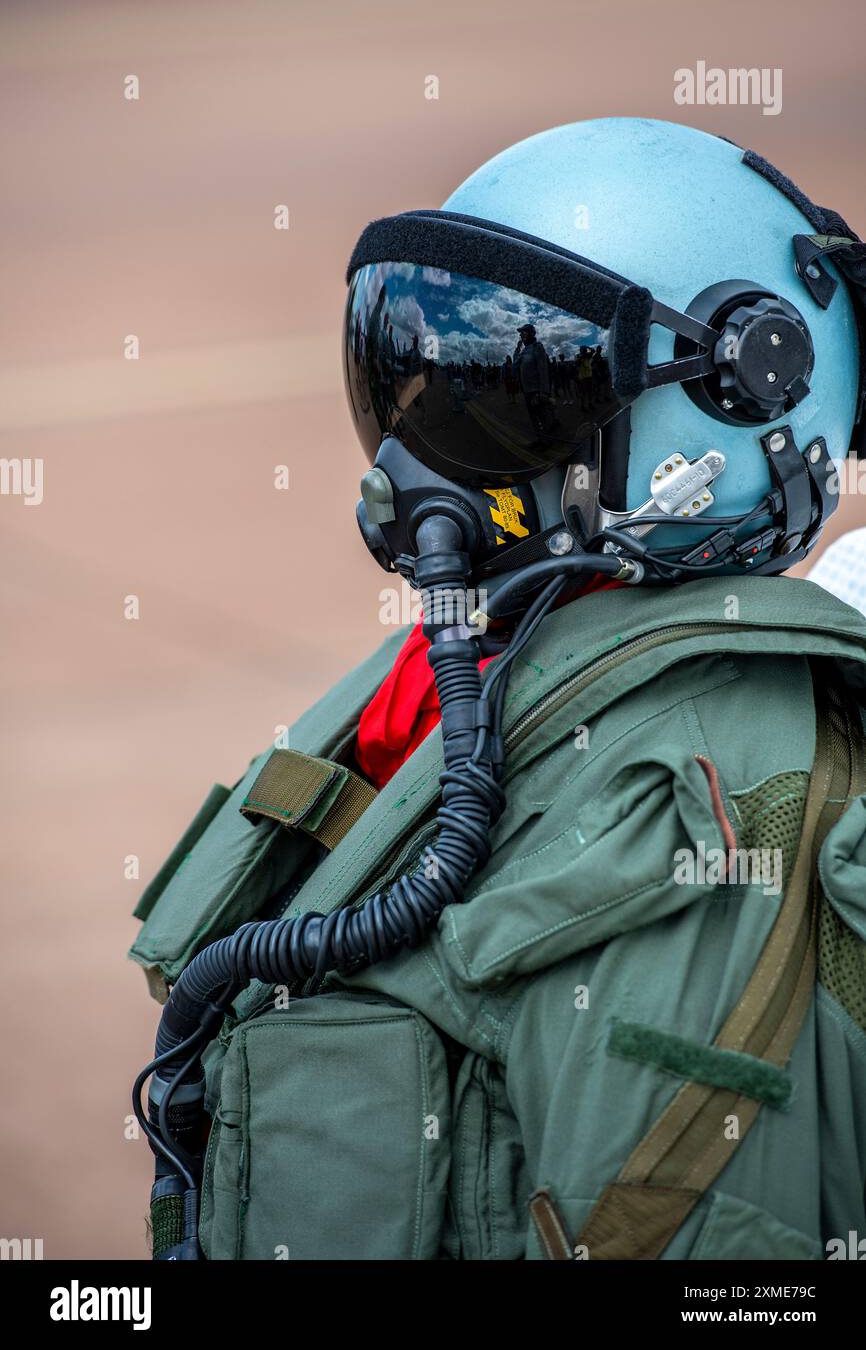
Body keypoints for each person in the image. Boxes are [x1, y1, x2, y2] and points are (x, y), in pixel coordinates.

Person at [131, 117, 866, 1262]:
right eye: (419, 387)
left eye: (509, 403)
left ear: (737, 400)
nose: (417, 461)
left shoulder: (692, 803)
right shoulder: (506, 667)